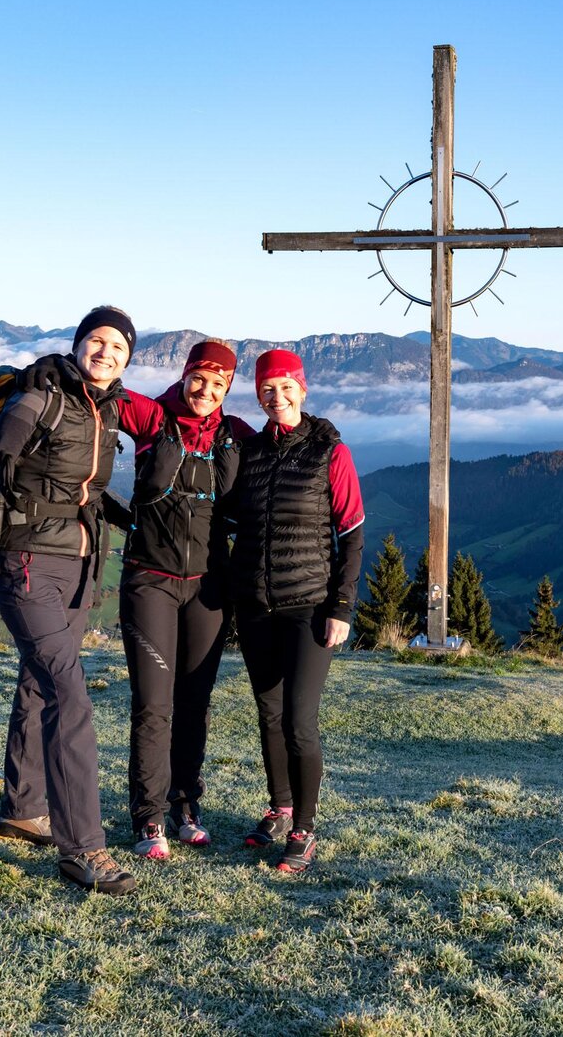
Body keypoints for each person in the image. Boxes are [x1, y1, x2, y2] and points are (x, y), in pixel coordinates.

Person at [0, 307, 138, 894]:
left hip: (81, 565)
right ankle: (81, 849)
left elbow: (90, 492)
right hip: (26, 559)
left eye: (118, 347)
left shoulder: (104, 408)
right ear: (79, 343)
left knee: (39, 682)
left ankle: (23, 807)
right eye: (97, 340)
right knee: (68, 695)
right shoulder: (40, 396)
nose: (105, 352)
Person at [117, 339, 254, 859]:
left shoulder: (234, 435)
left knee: (195, 704)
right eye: (200, 378)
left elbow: (288, 444)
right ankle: (148, 818)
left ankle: (185, 806)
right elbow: (102, 390)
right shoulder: (153, 417)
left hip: (209, 588)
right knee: (154, 706)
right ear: (185, 374)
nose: (206, 390)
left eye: (219, 384)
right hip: (149, 580)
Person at [231, 348, 364, 874]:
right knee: (268, 713)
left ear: (303, 390)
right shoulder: (251, 451)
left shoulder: (331, 451)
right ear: (258, 393)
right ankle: (280, 807)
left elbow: (351, 532)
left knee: (299, 721)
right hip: (258, 606)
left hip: (310, 607)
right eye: (267, 388)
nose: (277, 396)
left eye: (286, 387)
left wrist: (342, 606)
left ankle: (305, 829)